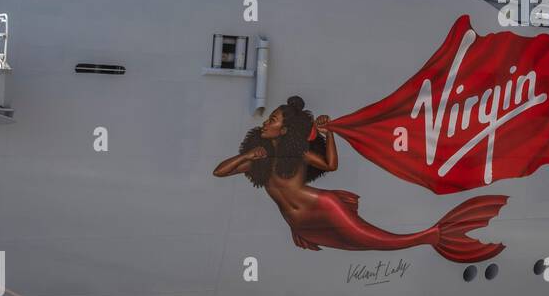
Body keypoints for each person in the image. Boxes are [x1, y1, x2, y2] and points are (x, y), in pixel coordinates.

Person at [214, 96, 506, 262]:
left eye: (273, 119)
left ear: (287, 130)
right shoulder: (261, 156)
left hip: (323, 209)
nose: (266, 122)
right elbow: (221, 171)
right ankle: (432, 237)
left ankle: (431, 236)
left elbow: (330, 164)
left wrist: (331, 134)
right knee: (356, 244)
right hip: (300, 223)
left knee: (364, 240)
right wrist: (246, 157)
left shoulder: (299, 153)